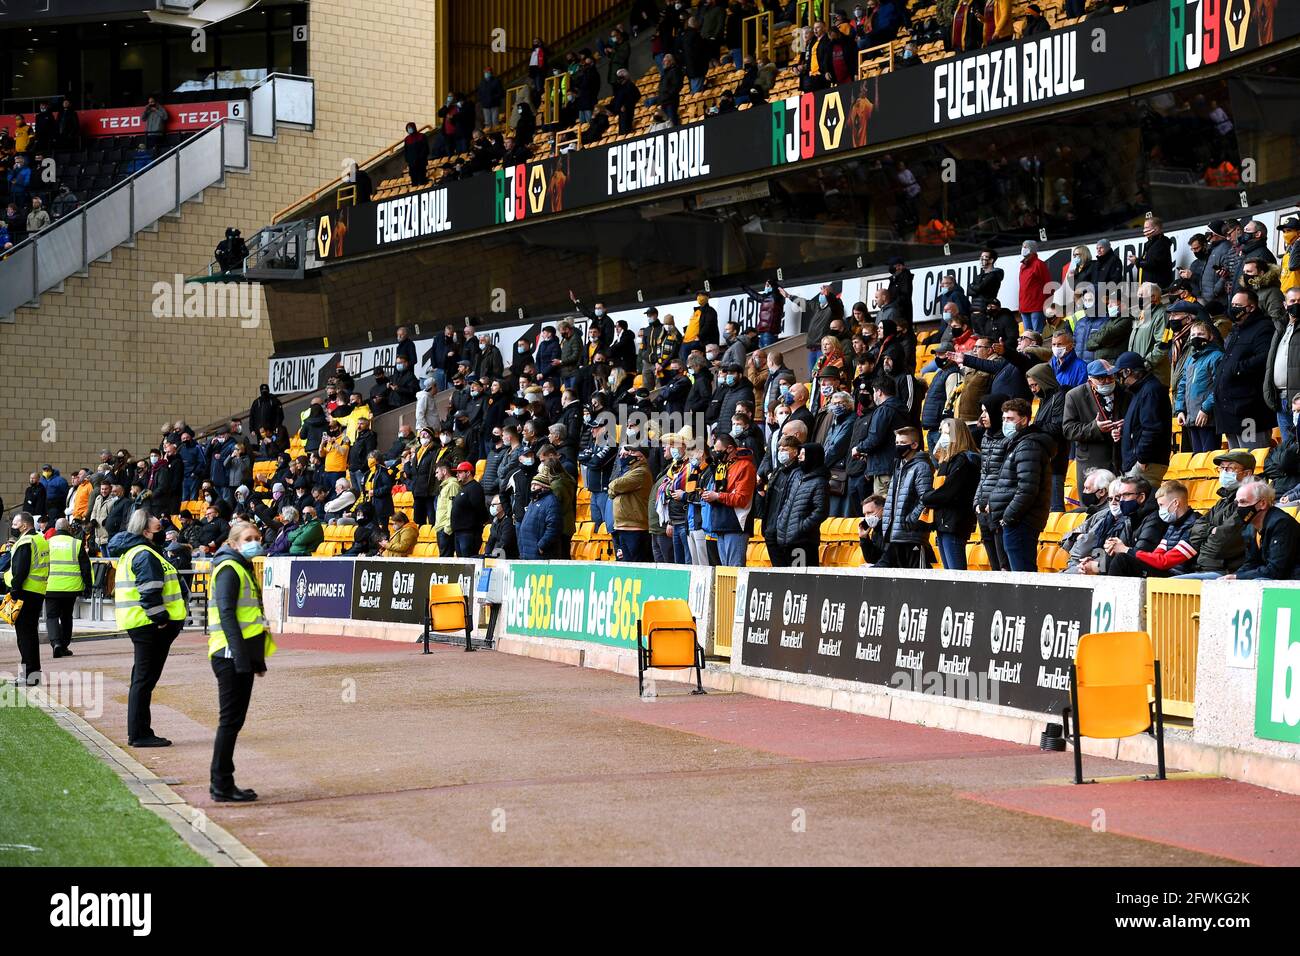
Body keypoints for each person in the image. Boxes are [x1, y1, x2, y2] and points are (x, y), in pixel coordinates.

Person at [207, 520, 275, 803]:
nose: (255, 542)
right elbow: (227, 614)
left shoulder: (240, 567)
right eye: (248, 538)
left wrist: (255, 659)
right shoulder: (229, 569)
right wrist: (240, 657)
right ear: (233, 543)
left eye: (257, 537)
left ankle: (223, 782)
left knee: (233, 722)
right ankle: (221, 784)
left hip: (236, 654)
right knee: (230, 722)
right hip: (229, 655)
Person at [113, 509, 187, 747]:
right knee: (144, 681)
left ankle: (140, 731)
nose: (162, 530)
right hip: (150, 626)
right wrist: (162, 619)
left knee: (142, 680)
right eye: (158, 528)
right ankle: (140, 734)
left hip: (145, 625)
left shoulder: (140, 551)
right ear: (146, 532)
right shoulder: (144, 554)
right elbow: (150, 593)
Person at [988, 398, 1054, 572]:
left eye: (1010, 419)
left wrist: (1008, 516)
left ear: (1024, 420)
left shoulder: (1028, 446)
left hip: (1021, 521)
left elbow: (1027, 488)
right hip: (1014, 521)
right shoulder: (1017, 444)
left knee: (1022, 575)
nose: (1005, 423)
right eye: (1004, 419)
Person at [1104, 480, 1200, 578]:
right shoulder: (1173, 524)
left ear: (1175, 503)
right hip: (1165, 572)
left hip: (1180, 577)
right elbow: (1156, 555)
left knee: (1123, 560)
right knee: (1121, 559)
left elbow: (1164, 561)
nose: (1160, 510)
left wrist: (1127, 550)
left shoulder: (1194, 526)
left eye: (1161, 505)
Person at [921, 418, 980, 570]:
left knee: (955, 572)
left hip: (954, 521)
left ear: (957, 435)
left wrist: (925, 498)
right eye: (942, 432)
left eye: (947, 433)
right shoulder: (947, 462)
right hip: (944, 521)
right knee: (948, 571)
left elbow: (949, 492)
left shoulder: (963, 461)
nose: (943, 437)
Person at [878, 426, 934, 568]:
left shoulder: (921, 466)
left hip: (912, 535)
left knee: (918, 578)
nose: (898, 446)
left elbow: (925, 498)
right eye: (897, 443)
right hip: (896, 534)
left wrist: (910, 520)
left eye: (902, 443)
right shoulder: (899, 466)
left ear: (914, 445)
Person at [1113, 351, 1171, 484]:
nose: (1119, 379)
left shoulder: (1151, 391)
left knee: (1138, 503)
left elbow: (1152, 429)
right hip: (1139, 463)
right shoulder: (1140, 391)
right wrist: (1125, 429)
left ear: (1128, 371)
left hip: (1146, 465)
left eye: (1120, 374)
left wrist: (1142, 460)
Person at [4, 512, 49, 685]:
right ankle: (33, 673)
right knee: (30, 634)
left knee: (25, 637)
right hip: (37, 592)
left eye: (15, 525)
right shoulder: (40, 540)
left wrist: (14, 590)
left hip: (24, 592)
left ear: (24, 525)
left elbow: (20, 570)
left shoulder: (25, 542)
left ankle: (29, 675)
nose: (13, 528)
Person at [1225, 480, 1299, 580]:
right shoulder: (1251, 526)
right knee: (1211, 578)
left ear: (1262, 503)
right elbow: (1251, 563)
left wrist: (1238, 577)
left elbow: (1276, 570)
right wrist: (1233, 577)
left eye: (1243, 502)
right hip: (1272, 577)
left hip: (1291, 582)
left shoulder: (1281, 524)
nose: (1239, 507)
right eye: (1237, 503)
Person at [771, 442, 829, 567]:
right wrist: (781, 522)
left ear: (812, 456)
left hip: (804, 542)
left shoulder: (820, 481)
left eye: (803, 454)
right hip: (786, 539)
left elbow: (821, 511)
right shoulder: (796, 474)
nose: (799, 457)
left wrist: (801, 527)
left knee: (802, 581)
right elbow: (785, 501)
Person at [702, 433, 756, 567]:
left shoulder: (745, 466)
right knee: (725, 571)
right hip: (720, 522)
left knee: (734, 569)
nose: (716, 454)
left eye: (719, 451)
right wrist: (710, 497)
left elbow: (741, 499)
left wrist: (717, 496)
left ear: (730, 448)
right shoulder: (722, 466)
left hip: (736, 524)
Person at [44, 518, 91, 658]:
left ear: (56, 528)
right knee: (66, 617)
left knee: (52, 616)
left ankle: (56, 643)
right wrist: (88, 586)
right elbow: (85, 568)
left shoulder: (47, 543)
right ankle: (64, 646)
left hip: (51, 587)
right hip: (71, 587)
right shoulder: (76, 544)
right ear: (69, 528)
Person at [609, 445, 653, 561]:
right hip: (624, 526)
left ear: (641, 457)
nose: (629, 455)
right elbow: (612, 489)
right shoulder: (630, 471)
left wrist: (613, 488)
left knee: (637, 563)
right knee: (628, 563)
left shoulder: (641, 472)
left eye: (633, 452)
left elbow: (615, 485)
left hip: (635, 527)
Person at [518, 472, 561, 560]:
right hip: (527, 551)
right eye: (532, 484)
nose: (533, 487)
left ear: (544, 486)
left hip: (539, 554)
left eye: (536, 484)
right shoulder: (533, 501)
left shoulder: (551, 502)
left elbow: (553, 527)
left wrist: (541, 546)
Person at [1017, 240, 1051, 333]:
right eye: (1022, 246)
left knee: (1037, 335)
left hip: (1036, 306)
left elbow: (1047, 284)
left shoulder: (1039, 264)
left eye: (1026, 247)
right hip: (1024, 306)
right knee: (1027, 335)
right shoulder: (1022, 266)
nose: (1023, 249)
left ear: (1032, 249)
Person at [858, 494, 887, 565]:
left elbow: (887, 559)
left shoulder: (890, 528)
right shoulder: (875, 530)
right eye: (865, 514)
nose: (867, 517)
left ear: (883, 510)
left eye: (870, 512)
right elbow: (872, 559)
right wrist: (864, 538)